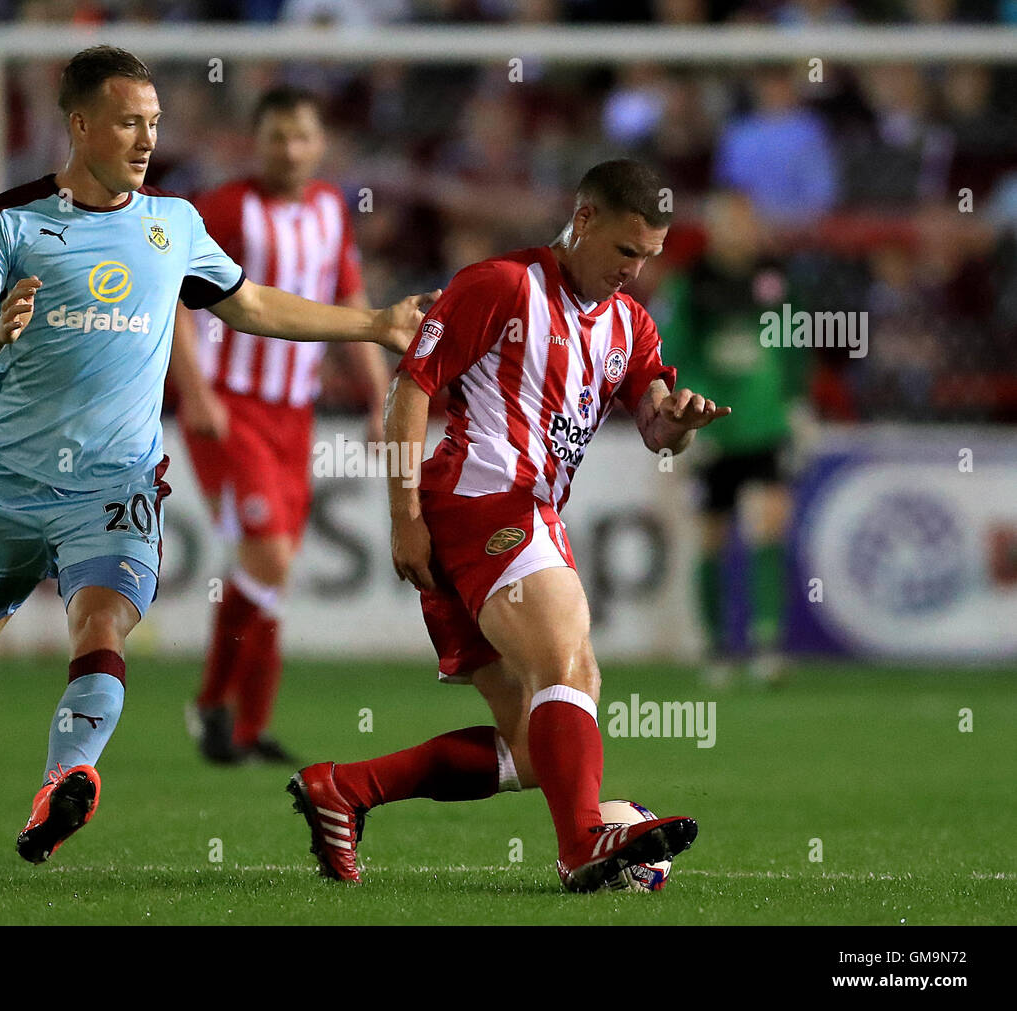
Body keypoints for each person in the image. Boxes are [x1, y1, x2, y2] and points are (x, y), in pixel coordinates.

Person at [0, 46, 432, 865]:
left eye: (153, 122)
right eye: (128, 122)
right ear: (80, 126)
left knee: (103, 618)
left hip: (116, 484)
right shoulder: (9, 221)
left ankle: (67, 775)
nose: (147, 139)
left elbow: (251, 303)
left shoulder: (173, 222)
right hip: (9, 479)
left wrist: (372, 325)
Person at [287, 159, 728, 893]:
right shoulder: (500, 285)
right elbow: (410, 388)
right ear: (583, 219)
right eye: (625, 251)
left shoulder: (628, 325)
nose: (634, 272)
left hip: (498, 519)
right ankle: (584, 842)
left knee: (532, 749)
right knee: (572, 666)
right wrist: (404, 517)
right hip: (486, 501)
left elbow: (655, 423)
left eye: (648, 257)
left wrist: (680, 426)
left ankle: (346, 787)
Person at [172, 86, 389, 765]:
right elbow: (176, 296)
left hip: (295, 413)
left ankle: (243, 724)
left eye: (300, 136)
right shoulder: (228, 208)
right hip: (229, 407)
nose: (288, 149)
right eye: (275, 137)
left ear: (320, 144)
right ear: (254, 141)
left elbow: (350, 301)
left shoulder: (330, 209)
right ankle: (213, 704)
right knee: (268, 557)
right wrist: (196, 387)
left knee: (273, 573)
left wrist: (378, 397)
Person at [655, 191, 806, 684]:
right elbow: (675, 352)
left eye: (746, 220)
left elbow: (794, 345)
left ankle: (767, 644)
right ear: (713, 228)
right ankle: (717, 647)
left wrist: (799, 402)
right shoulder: (692, 284)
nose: (740, 230)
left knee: (769, 523)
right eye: (730, 221)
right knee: (713, 535)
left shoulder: (777, 280)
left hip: (766, 423)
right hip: (714, 425)